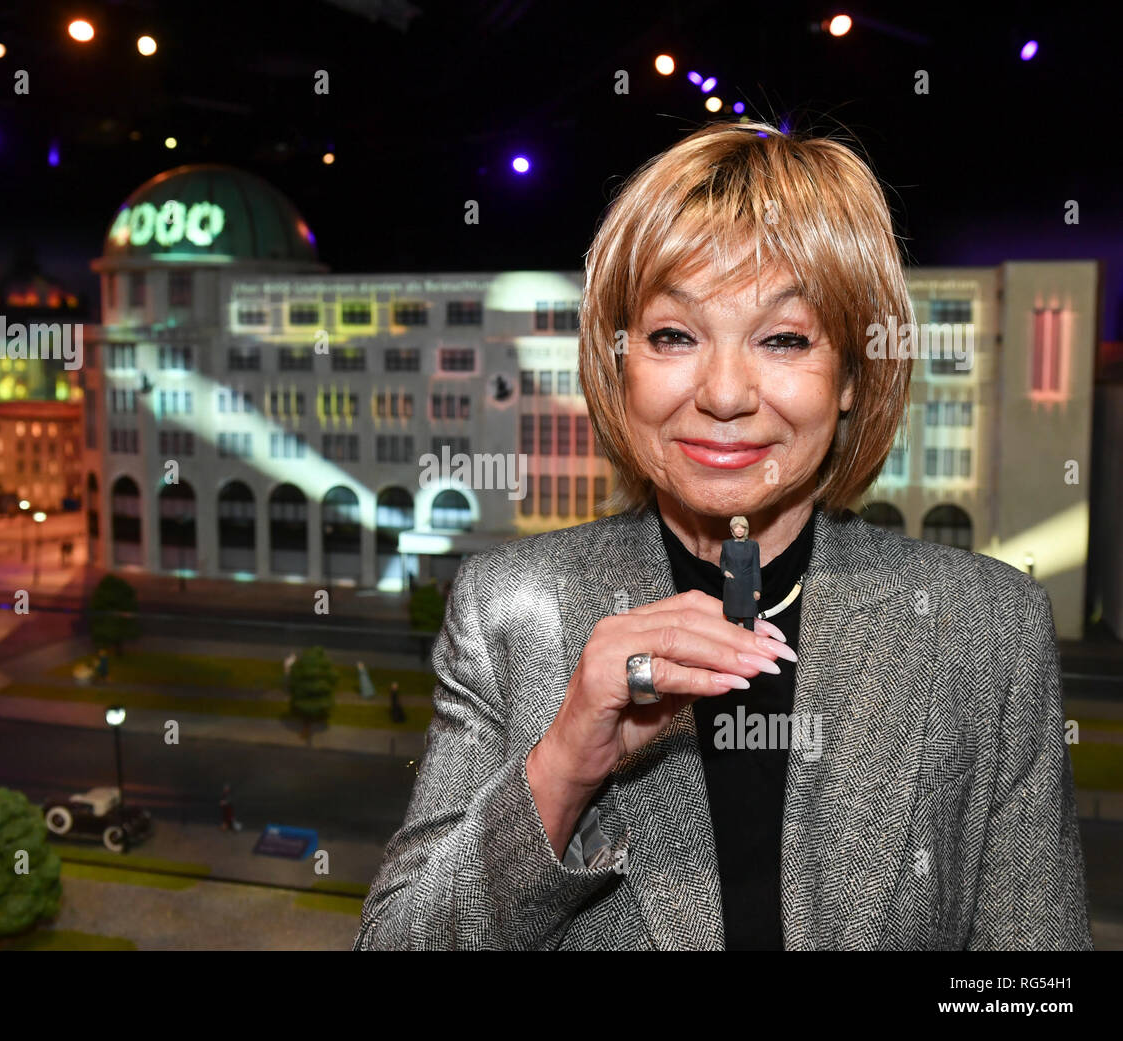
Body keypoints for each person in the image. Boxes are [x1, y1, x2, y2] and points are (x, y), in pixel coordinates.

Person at [353, 120, 1091, 951]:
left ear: (851, 375)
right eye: (674, 335)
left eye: (784, 338)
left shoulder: (989, 630)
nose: (727, 393)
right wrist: (562, 765)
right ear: (620, 363)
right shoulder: (507, 611)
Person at [719, 515, 761, 630]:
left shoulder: (753, 545)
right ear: (732, 529)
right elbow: (722, 561)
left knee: (749, 621)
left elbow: (756, 568)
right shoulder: (726, 544)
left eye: (742, 527)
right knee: (732, 622)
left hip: (748, 587)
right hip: (732, 587)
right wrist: (724, 571)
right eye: (736, 527)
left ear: (746, 529)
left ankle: (750, 641)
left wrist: (757, 589)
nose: (739, 530)